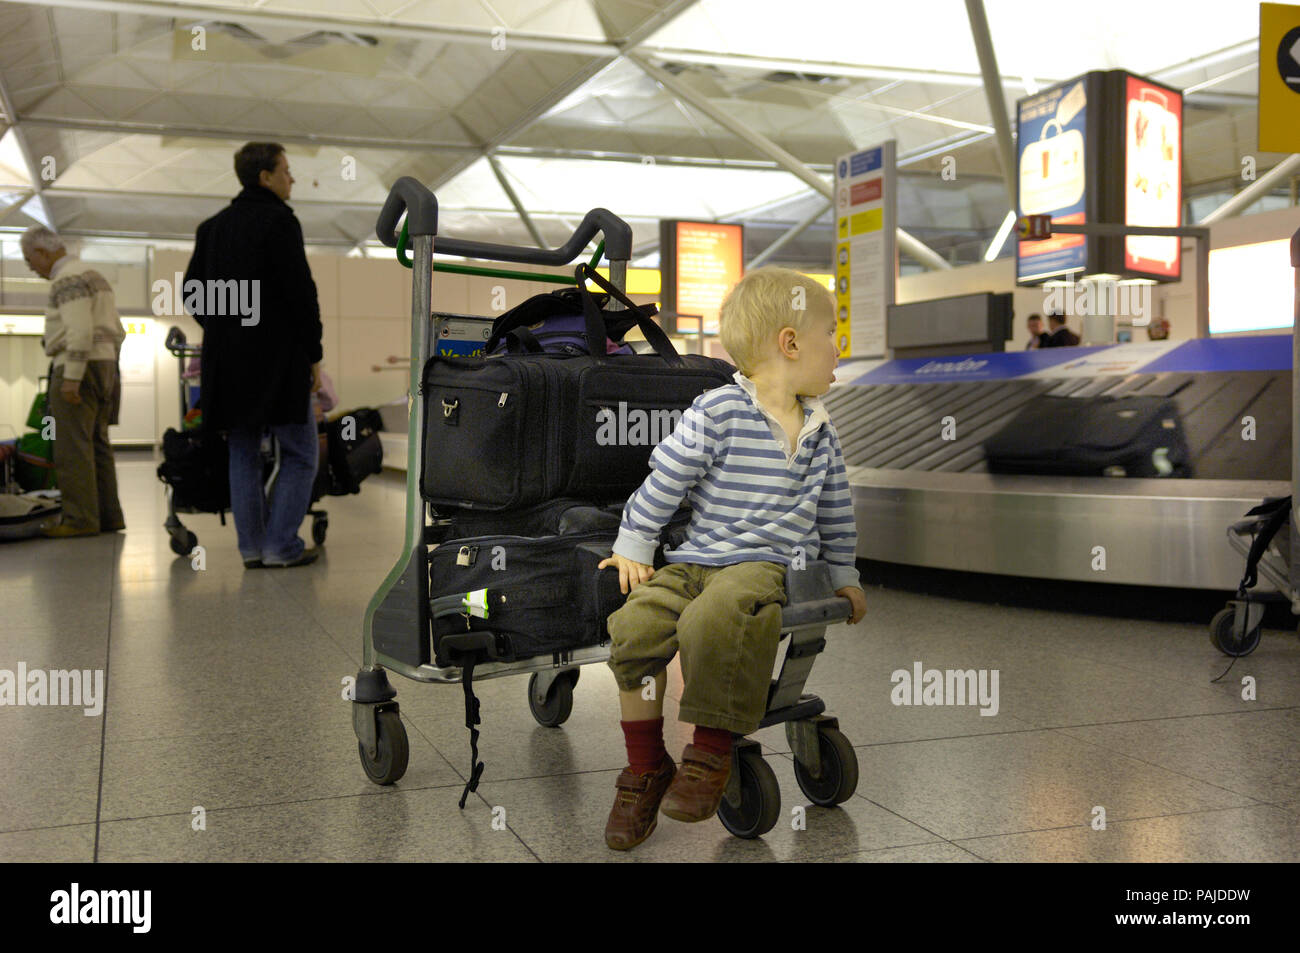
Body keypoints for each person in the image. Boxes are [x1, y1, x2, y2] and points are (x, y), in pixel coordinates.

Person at [597, 266, 868, 851]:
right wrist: (634, 545)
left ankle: (710, 754)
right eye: (831, 334)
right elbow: (664, 479)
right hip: (694, 559)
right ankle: (646, 765)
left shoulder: (822, 431)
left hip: (763, 564)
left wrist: (844, 575)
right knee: (634, 625)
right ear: (790, 344)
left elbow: (836, 513)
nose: (838, 347)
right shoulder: (717, 410)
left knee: (717, 618)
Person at [184, 142, 323, 568]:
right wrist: (313, 351)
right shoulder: (280, 222)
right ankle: (280, 546)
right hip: (278, 360)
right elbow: (300, 292)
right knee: (300, 453)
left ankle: (252, 548)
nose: (292, 179)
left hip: (227, 363)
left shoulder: (213, 228)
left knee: (242, 450)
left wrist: (227, 329)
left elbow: (193, 292)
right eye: (286, 171)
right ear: (265, 177)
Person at [21, 226, 126, 538]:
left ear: (43, 251)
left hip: (76, 364)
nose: (32, 268)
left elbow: (79, 329)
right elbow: (117, 331)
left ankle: (80, 519)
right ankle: (109, 516)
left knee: (72, 447)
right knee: (98, 444)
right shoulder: (94, 274)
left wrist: (71, 378)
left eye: (29, 261)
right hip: (105, 364)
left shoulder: (66, 278)